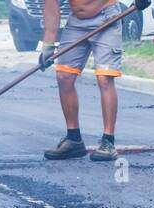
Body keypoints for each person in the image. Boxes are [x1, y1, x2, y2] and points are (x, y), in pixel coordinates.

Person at [40, 0, 132, 161]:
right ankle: (74, 139)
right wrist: (48, 44)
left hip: (107, 18)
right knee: (64, 77)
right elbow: (51, 5)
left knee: (104, 77)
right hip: (76, 22)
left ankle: (108, 142)